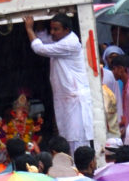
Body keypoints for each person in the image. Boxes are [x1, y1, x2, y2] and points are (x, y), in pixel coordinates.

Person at [25, 13, 96, 149]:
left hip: (75, 99)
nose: (52, 32)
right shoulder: (61, 41)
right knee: (68, 138)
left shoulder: (70, 43)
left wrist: (29, 29)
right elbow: (44, 39)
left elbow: (40, 48)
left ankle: (82, 169)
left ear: (67, 30)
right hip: (68, 99)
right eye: (51, 29)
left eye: (56, 29)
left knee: (77, 139)